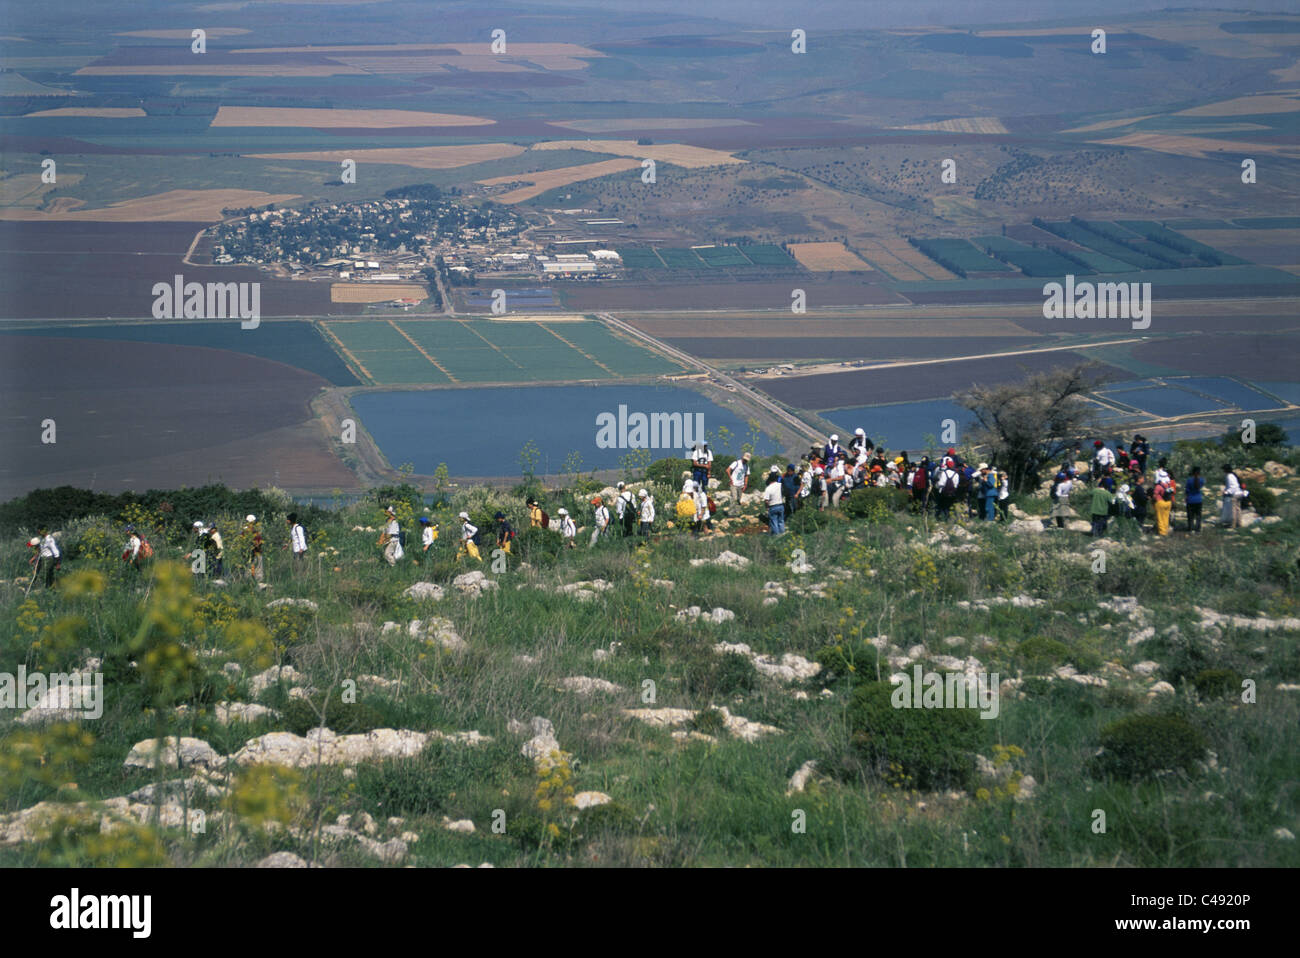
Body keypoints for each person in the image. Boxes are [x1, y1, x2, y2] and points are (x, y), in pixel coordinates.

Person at [763, 467, 786, 535]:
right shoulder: (780, 485)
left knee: (774, 522)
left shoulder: (768, 488)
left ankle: (777, 536)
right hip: (781, 505)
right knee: (781, 521)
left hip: (773, 506)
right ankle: (783, 534)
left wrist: (767, 507)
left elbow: (766, 500)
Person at [1221, 464, 1244, 528]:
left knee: (1233, 509)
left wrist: (1226, 492)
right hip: (1239, 493)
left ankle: (1233, 525)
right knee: (1238, 509)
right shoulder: (1233, 475)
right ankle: (1239, 524)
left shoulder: (1229, 476)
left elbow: (1233, 487)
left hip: (1235, 494)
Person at [1185, 466, 1205, 533]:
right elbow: (1200, 485)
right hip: (1198, 499)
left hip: (1190, 499)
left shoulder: (1189, 480)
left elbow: (1187, 490)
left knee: (1190, 516)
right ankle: (1198, 529)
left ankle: (1190, 528)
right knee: (1198, 515)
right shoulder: (1202, 480)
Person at [244, 514, 264, 581]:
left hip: (248, 553)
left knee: (249, 568)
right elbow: (257, 542)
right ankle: (258, 581)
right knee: (258, 568)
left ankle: (248, 581)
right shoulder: (253, 531)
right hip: (256, 552)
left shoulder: (244, 530)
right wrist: (258, 547)